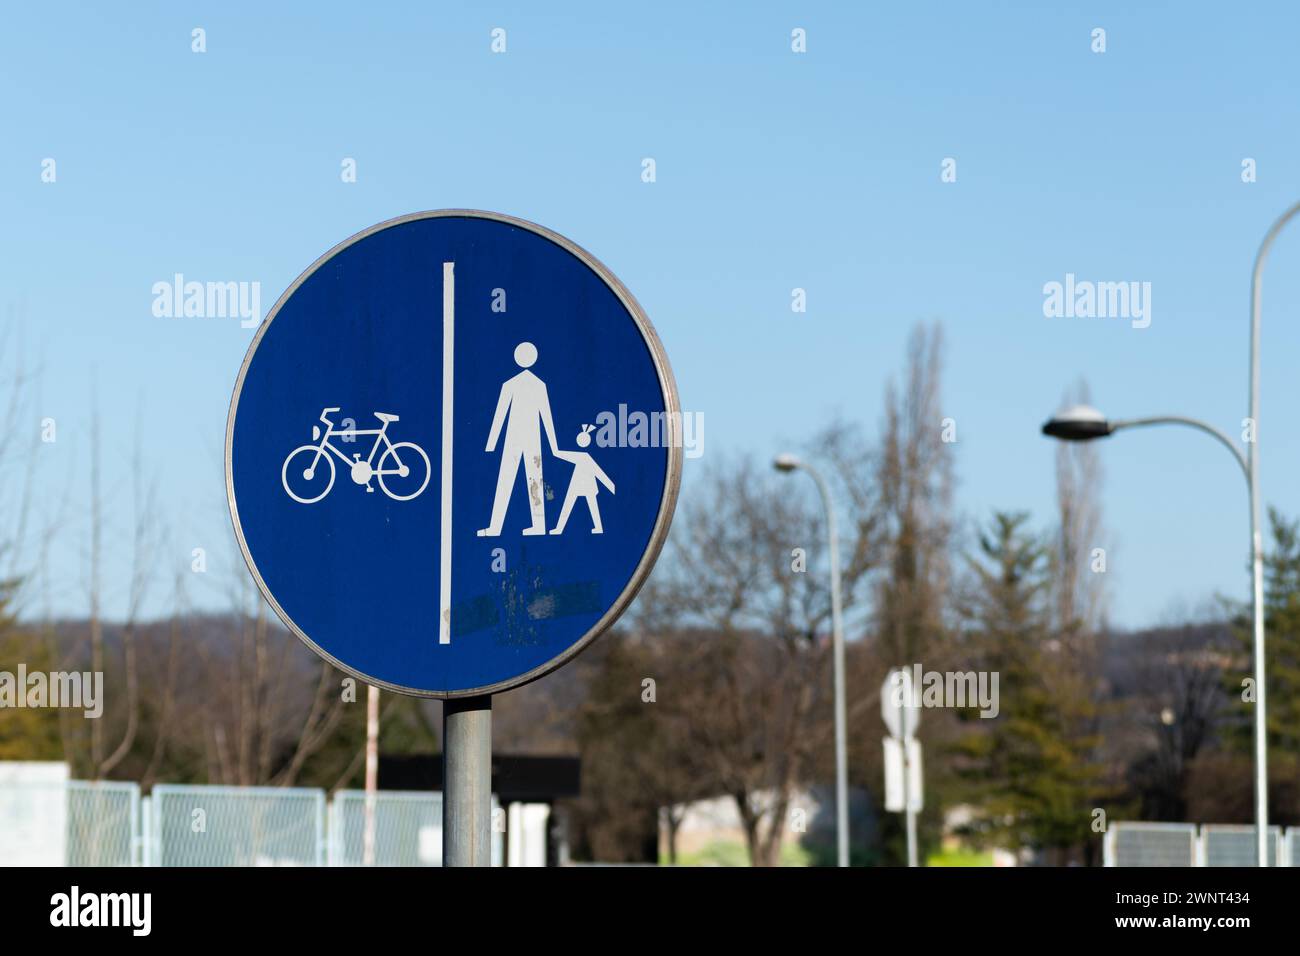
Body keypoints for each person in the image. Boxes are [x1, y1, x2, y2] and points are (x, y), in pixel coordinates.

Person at [478, 342, 558, 536]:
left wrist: (491, 443)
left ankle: (510, 527)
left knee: (523, 479)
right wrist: (554, 445)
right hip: (520, 437)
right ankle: (499, 527)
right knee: (524, 478)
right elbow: (502, 413)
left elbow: (545, 415)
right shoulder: (528, 384)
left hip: (522, 437)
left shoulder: (521, 384)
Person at [550, 424, 615, 534]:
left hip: (582, 486)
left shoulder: (582, 456)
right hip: (581, 486)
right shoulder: (585, 457)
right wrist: (611, 486)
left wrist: (554, 448)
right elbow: (600, 474)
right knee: (575, 506)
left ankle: (560, 529)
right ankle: (560, 528)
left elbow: (559, 454)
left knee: (572, 506)